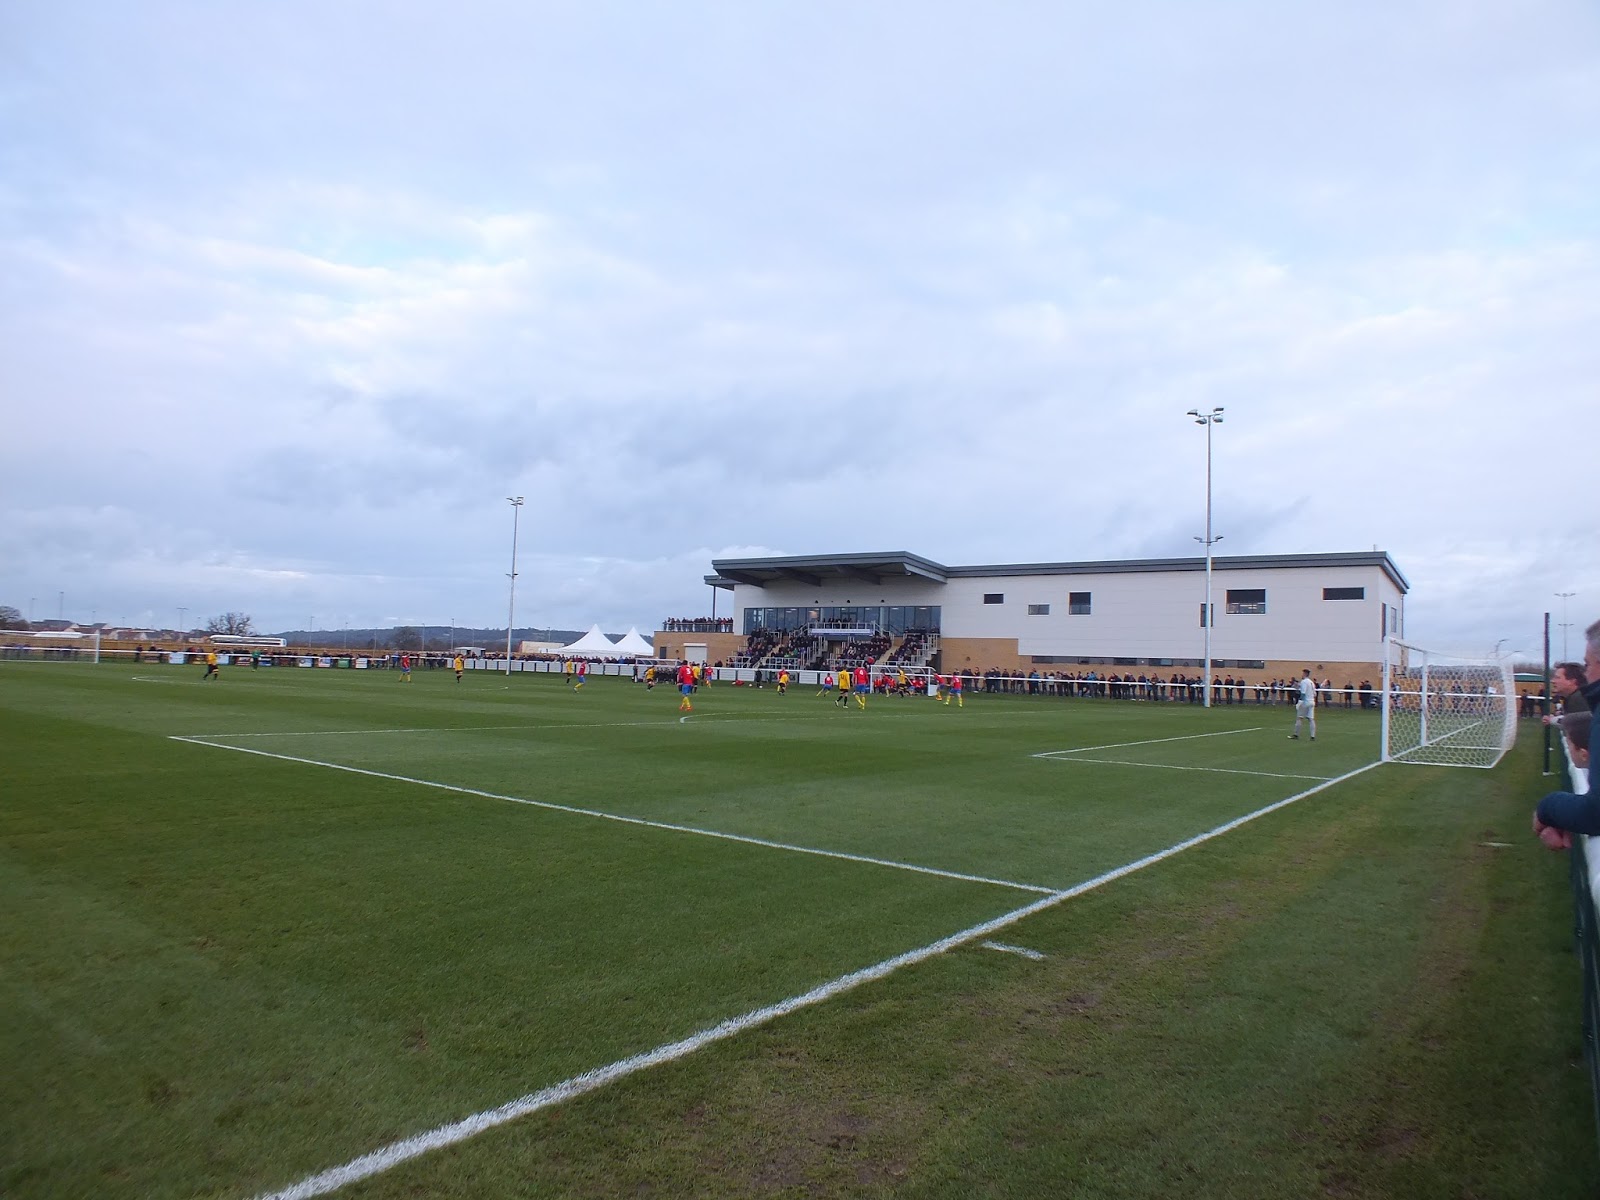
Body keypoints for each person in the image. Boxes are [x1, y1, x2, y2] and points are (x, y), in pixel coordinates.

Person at [1533, 620, 1600, 844]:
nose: (1553, 681)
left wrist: (1547, 808)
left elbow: (1596, 812)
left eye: (1587, 664)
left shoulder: (1585, 701)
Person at [1288, 668, 1316, 740]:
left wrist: (1299, 702)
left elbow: (1303, 693)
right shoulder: (1311, 682)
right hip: (1312, 701)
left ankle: (1296, 734)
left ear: (1305, 674)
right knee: (1311, 719)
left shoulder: (1304, 682)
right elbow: (1314, 693)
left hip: (1305, 702)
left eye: (1303, 673)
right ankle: (1312, 736)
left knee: (1299, 718)